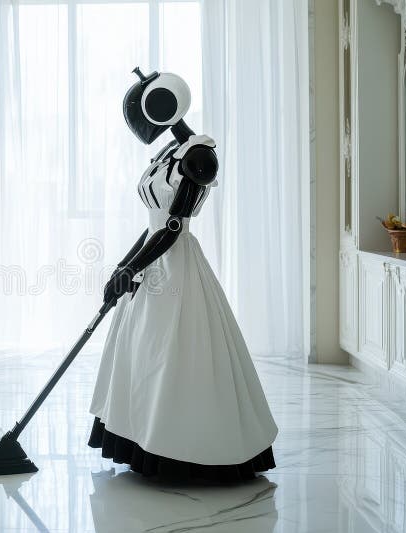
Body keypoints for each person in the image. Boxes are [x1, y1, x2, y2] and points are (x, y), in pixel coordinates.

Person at [88, 68, 278, 483]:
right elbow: (154, 225)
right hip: (154, 260)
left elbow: (174, 227)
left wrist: (131, 268)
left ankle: (182, 450)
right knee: (145, 351)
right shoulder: (168, 153)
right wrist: (124, 266)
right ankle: (141, 441)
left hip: (176, 267)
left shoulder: (198, 155)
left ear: (162, 104)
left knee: (173, 352)